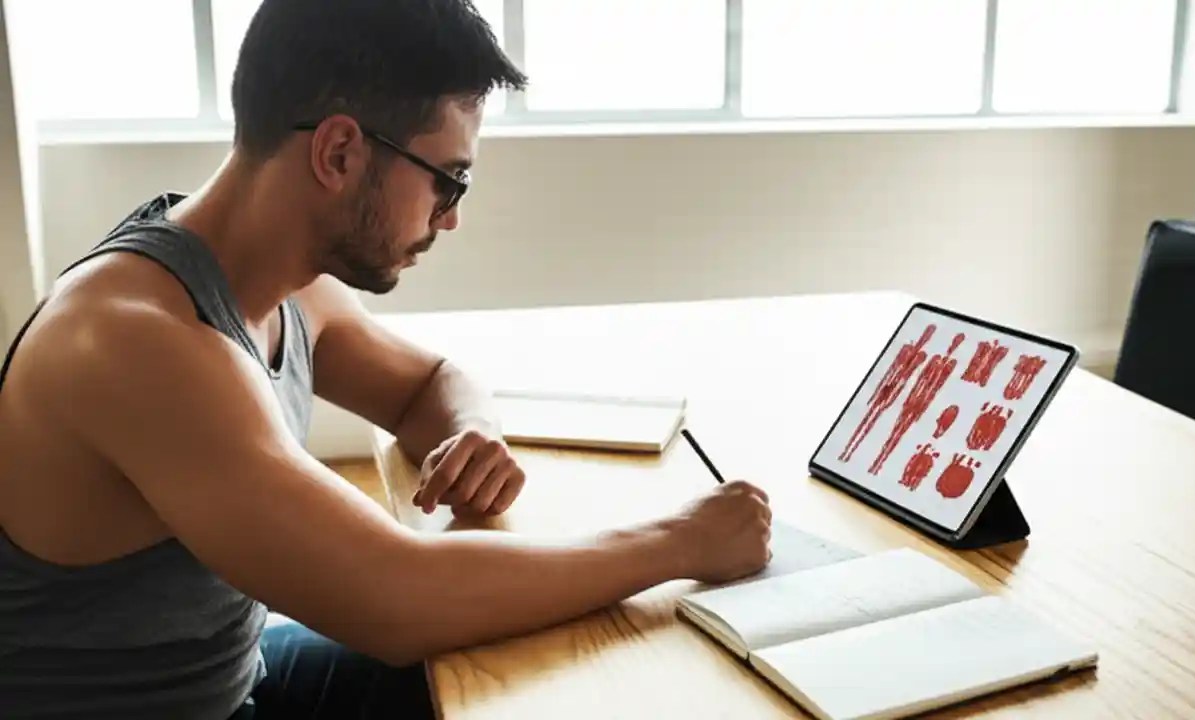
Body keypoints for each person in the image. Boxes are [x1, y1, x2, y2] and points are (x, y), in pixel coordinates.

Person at [0, 1, 773, 717]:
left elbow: (430, 385)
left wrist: (470, 431)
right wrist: (680, 543)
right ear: (338, 151)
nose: (453, 217)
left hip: (236, 677)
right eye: (449, 179)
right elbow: (398, 600)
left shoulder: (278, 285)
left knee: (535, 658)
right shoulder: (135, 343)